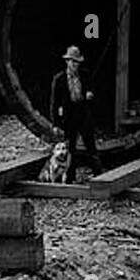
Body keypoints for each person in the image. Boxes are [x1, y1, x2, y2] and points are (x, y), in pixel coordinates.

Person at [49, 45, 105, 182]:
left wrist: (90, 93)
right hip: (69, 116)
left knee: (91, 146)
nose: (74, 65)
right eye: (71, 61)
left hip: (83, 113)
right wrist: (55, 123)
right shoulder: (59, 79)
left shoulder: (85, 74)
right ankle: (69, 177)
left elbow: (93, 87)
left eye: (76, 62)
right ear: (67, 62)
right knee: (70, 149)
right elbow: (54, 103)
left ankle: (99, 175)